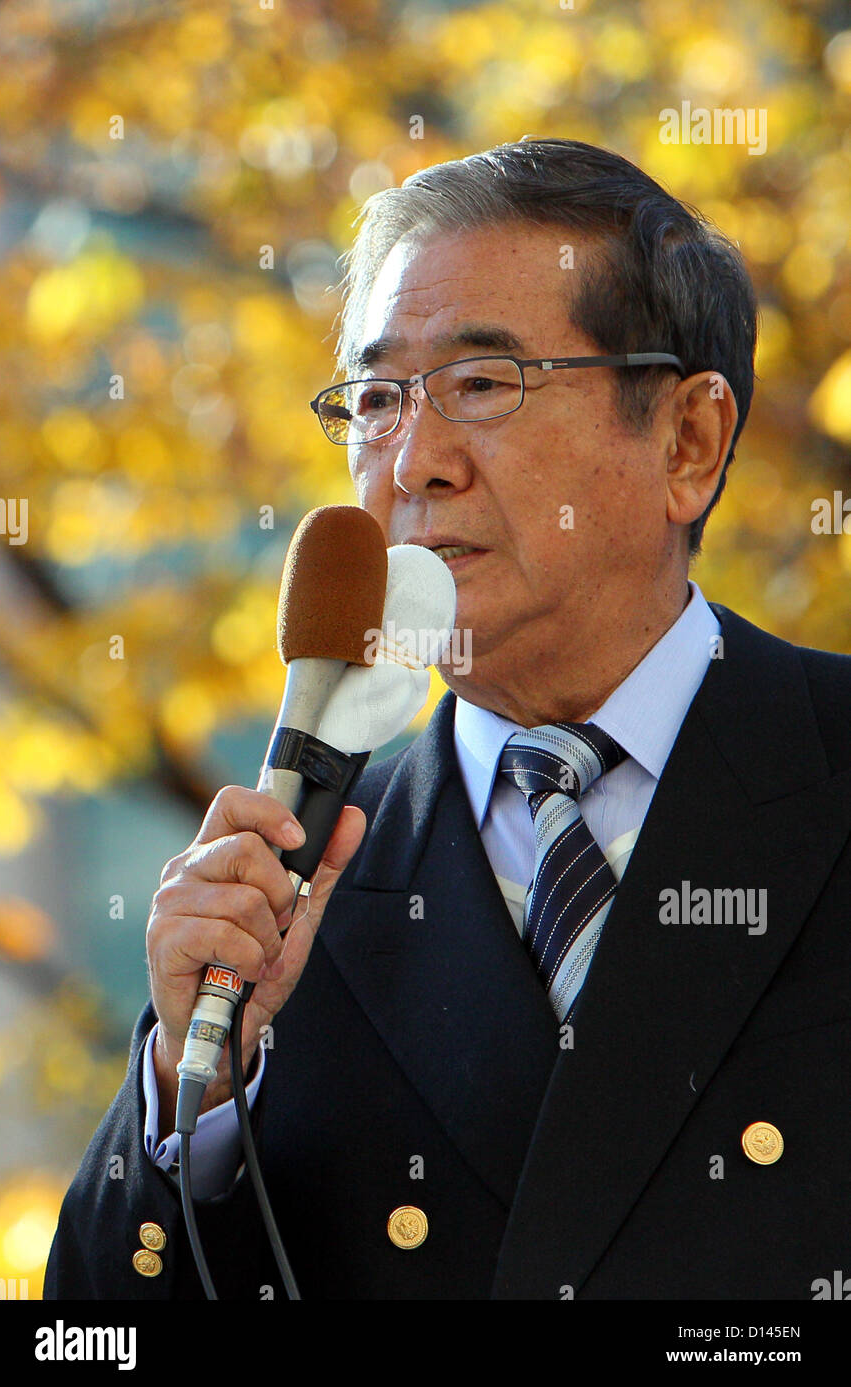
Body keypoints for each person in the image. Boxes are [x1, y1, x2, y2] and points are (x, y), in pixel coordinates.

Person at [44, 138, 851, 1300]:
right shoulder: (291, 894)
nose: (413, 463)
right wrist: (191, 1083)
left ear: (686, 442)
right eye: (375, 401)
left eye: (482, 385)